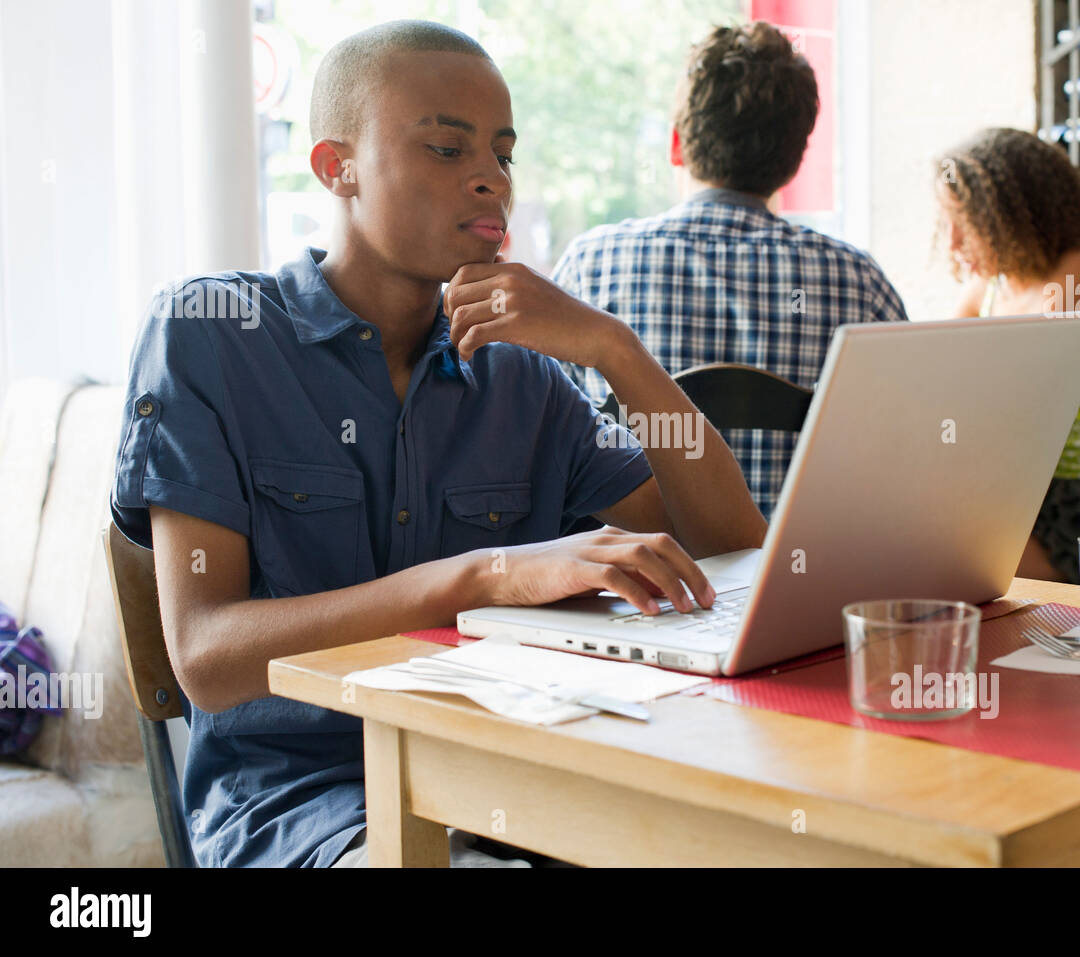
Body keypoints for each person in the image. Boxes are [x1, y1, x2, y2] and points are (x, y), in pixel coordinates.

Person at [109, 20, 766, 869]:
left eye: (502, 154)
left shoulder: (521, 379)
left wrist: (614, 348)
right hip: (306, 806)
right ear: (334, 166)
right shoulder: (212, 337)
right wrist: (485, 574)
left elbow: (729, 547)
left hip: (516, 780)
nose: (490, 179)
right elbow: (205, 658)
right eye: (448, 150)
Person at [553, 21, 908, 519]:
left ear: (678, 145)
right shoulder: (860, 283)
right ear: (795, 159)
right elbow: (905, 460)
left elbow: (550, 455)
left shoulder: (589, 269)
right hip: (805, 589)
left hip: (637, 591)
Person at [935, 127, 1080, 584]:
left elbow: (1014, 417)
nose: (953, 244)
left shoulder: (1077, 277)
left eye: (967, 224)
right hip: (1021, 492)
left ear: (1014, 218)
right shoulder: (995, 283)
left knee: (944, 561)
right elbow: (939, 369)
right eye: (946, 223)